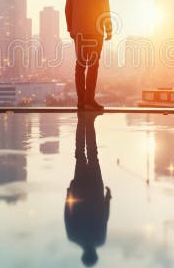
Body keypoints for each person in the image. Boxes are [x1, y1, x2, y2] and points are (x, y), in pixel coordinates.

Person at [65, 0, 113, 111]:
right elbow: (104, 8)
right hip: (95, 32)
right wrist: (109, 29)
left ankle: (81, 102)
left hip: (78, 32)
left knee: (80, 66)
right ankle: (89, 100)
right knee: (93, 65)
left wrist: (70, 29)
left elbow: (68, 9)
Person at [65, 112, 111, 267]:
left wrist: (107, 197)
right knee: (79, 155)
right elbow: (67, 214)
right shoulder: (73, 237)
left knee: (92, 155)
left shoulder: (100, 239)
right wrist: (68, 194)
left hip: (95, 190)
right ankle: (83, 123)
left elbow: (104, 217)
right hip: (79, 190)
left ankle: (87, 124)